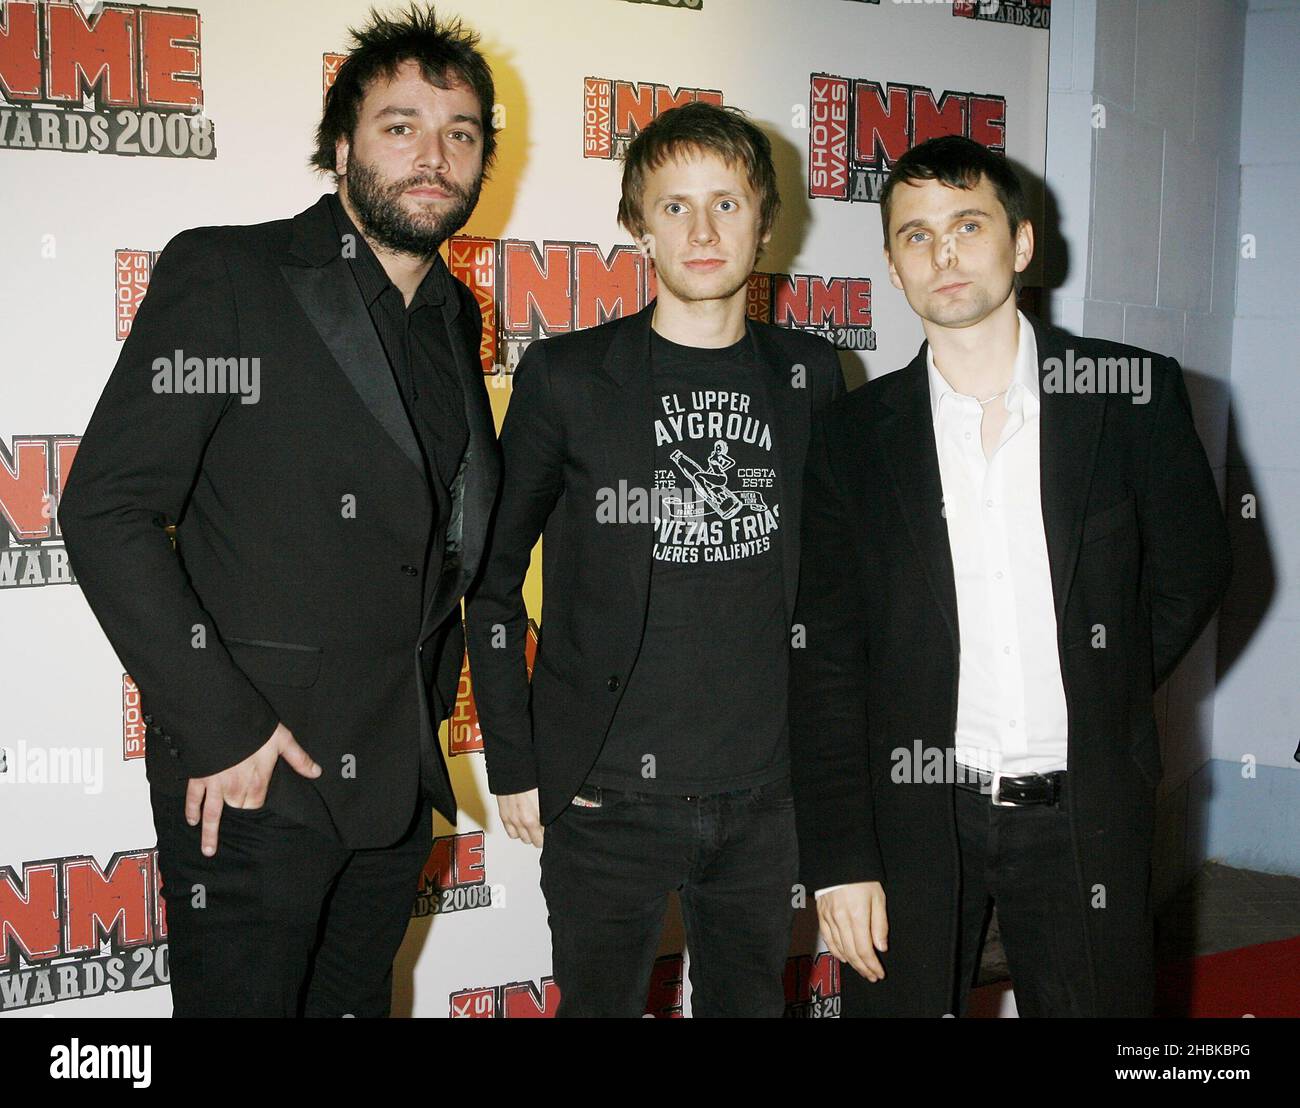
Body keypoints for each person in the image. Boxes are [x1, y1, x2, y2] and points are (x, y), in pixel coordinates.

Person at [59, 5, 500, 1017]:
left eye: (460, 133)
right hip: (254, 786)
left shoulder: (452, 315)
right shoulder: (230, 275)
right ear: (341, 145)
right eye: (401, 125)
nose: (433, 155)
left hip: (395, 787)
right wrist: (221, 730)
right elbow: (107, 508)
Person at [790, 134, 1232, 1017]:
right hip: (915, 810)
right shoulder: (853, 435)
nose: (943, 253)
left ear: (1021, 244)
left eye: (967, 224)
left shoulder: (1130, 394)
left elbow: (1194, 567)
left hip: (1083, 810)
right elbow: (826, 657)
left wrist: (1099, 686)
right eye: (915, 235)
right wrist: (840, 859)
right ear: (890, 262)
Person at [466, 101, 845, 1017]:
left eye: (726, 202)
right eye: (674, 206)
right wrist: (514, 760)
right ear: (637, 226)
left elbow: (839, 590)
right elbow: (490, 576)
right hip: (604, 799)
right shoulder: (566, 378)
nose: (703, 229)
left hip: (767, 795)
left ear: (766, 220)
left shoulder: (812, 376)